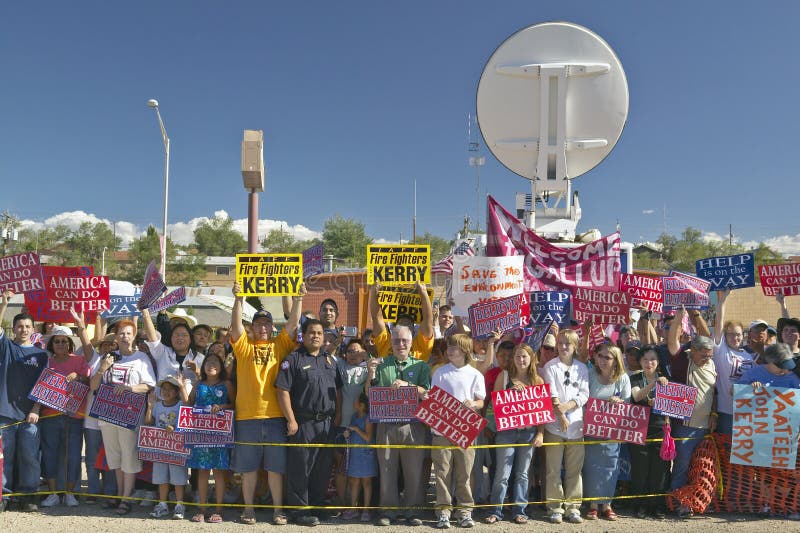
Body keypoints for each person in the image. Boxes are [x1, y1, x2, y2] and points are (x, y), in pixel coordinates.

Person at [276, 319, 343, 527]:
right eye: (312, 332)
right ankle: (299, 510)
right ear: (303, 336)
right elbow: (282, 390)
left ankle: (316, 505)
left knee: (321, 468)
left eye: (320, 333)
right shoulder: (293, 359)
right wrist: (291, 420)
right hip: (303, 422)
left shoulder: (330, 361)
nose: (316, 336)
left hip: (326, 423)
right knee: (300, 467)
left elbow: (339, 391)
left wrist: (338, 416)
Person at [89, 318, 156, 515]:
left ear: (133, 335)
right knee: (115, 458)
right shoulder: (109, 357)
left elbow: (150, 385)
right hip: (107, 414)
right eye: (121, 333)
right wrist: (103, 368)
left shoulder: (141, 358)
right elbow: (93, 386)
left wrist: (130, 388)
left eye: (128, 333)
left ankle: (126, 498)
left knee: (129, 457)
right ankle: (120, 495)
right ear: (116, 336)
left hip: (130, 414)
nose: (125, 336)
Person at [366, 324, 431, 526]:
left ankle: (413, 511)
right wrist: (370, 374)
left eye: (405, 340)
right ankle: (388, 511)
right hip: (386, 426)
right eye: (396, 340)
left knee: (413, 471)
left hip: (413, 426)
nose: (400, 344)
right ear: (391, 343)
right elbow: (369, 394)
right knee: (386, 469)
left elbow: (427, 394)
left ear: (411, 343)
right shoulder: (381, 365)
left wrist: (407, 386)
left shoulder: (421, 366)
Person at [428, 334, 485, 529]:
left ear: (465, 350)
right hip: (441, 431)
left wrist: (474, 404)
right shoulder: (440, 373)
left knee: (465, 473)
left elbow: (481, 401)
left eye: (455, 347)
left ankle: (464, 511)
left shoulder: (475, 374)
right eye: (449, 346)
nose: (450, 349)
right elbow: (432, 399)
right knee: (442, 473)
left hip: (465, 430)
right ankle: (443, 510)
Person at [665, 309, 718, 518]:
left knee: (701, 468)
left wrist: (714, 414)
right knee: (681, 467)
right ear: (692, 350)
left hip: (706, 426)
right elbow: (671, 341)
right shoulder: (683, 361)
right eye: (703, 355)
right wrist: (680, 316)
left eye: (709, 356)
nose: (706, 359)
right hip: (685, 426)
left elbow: (715, 392)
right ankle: (677, 503)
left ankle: (696, 501)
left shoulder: (712, 363)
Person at [0, 290, 49, 513]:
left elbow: (45, 386)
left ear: (33, 329)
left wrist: (36, 408)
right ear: (14, 328)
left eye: (28, 326)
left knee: (29, 456)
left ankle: (28, 495)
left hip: (31, 415)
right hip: (5, 414)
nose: (23, 330)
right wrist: (4, 303)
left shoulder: (42, 355)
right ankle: (5, 495)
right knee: (5, 457)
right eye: (20, 326)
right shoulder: (6, 347)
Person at [485, 343, 545, 525]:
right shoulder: (504, 377)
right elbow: (494, 405)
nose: (521, 360)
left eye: (524, 356)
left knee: (523, 474)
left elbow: (542, 411)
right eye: (517, 356)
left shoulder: (538, 381)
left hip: (528, 433)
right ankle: (496, 510)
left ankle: (520, 510)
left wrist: (540, 434)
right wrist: (508, 394)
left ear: (531, 358)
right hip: (506, 432)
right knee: (502, 474)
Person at [37, 324, 92, 508]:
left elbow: (89, 381)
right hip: (50, 415)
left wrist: (79, 376)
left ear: (69, 344)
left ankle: (69, 493)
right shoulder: (46, 361)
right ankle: (53, 493)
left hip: (74, 415)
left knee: (74, 455)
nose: (60, 344)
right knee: (50, 454)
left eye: (64, 341)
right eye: (57, 341)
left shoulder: (79, 361)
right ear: (52, 344)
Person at [541, 329, 589, 524]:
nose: (563, 347)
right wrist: (560, 415)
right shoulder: (550, 367)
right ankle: (555, 507)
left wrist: (568, 407)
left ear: (575, 346)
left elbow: (584, 394)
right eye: (560, 343)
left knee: (574, 470)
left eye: (567, 343)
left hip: (576, 425)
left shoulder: (582, 368)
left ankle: (573, 506)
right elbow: (551, 393)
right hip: (554, 426)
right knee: (553, 469)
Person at [583, 344, 631, 521]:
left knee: (611, 466)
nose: (602, 360)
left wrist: (619, 402)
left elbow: (628, 404)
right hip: (592, 429)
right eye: (600, 356)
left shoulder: (623, 378)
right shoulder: (590, 374)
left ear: (616, 361)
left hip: (613, 430)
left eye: (607, 357)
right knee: (592, 466)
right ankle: (593, 505)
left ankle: (607, 504)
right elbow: (582, 399)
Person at [187, 352, 236, 523]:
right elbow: (189, 404)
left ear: (222, 366)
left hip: (220, 435)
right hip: (200, 434)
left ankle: (219, 509)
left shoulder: (227, 384)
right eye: (208, 362)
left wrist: (223, 406)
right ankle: (202, 508)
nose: (211, 364)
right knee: (202, 471)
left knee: (218, 472)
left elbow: (235, 404)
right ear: (203, 367)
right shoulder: (198, 384)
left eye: (216, 362)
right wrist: (181, 387)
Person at [629, 344, 670, 519]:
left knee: (660, 470)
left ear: (659, 361)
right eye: (645, 359)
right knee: (640, 468)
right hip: (638, 428)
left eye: (652, 359)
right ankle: (640, 505)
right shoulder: (635, 378)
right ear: (639, 361)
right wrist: (653, 384)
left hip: (659, 428)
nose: (648, 363)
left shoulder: (667, 379)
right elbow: (637, 396)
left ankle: (658, 506)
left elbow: (675, 404)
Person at [145, 375, 189, 519]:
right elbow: (148, 423)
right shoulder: (158, 405)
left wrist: (175, 428)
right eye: (164, 389)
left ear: (177, 391)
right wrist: (150, 407)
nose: (166, 391)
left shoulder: (181, 405)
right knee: (161, 478)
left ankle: (179, 505)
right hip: (160, 448)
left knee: (178, 478)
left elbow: (188, 417)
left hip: (176, 449)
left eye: (170, 389)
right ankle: (162, 504)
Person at [712, 290, 756, 435]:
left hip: (747, 412)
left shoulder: (749, 356)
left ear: (743, 336)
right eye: (730, 334)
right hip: (726, 412)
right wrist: (723, 298)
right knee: (725, 452)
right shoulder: (721, 351)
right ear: (725, 336)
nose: (735, 337)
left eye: (738, 334)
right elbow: (719, 322)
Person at [334, 339, 369, 509]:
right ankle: (342, 504)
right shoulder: (339, 365)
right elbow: (330, 353)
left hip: (361, 426)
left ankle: (358, 504)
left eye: (357, 351)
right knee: (341, 467)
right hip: (342, 425)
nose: (353, 355)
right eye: (350, 351)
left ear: (364, 353)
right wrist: (337, 340)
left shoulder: (368, 367)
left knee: (360, 468)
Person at [141, 308, 205, 394]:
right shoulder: (162, 352)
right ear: (171, 338)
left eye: (184, 335)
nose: (180, 338)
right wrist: (145, 312)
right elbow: (152, 336)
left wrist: (197, 372)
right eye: (176, 335)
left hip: (189, 405)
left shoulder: (201, 358)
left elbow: (209, 383)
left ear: (190, 339)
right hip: (163, 404)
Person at [340, 393, 377, 522]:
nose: (353, 403)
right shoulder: (353, 416)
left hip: (366, 453)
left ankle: (366, 510)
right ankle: (353, 509)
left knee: (366, 482)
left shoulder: (368, 418)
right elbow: (352, 431)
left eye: (355, 401)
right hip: (354, 453)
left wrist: (355, 429)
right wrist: (347, 433)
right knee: (353, 481)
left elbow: (368, 437)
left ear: (362, 405)